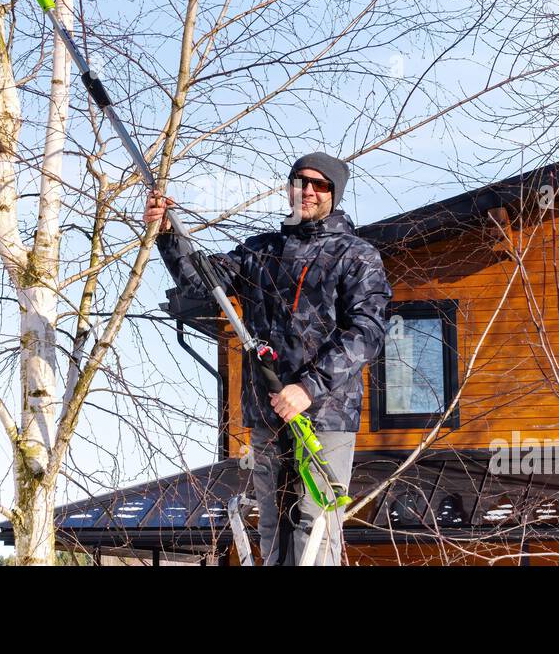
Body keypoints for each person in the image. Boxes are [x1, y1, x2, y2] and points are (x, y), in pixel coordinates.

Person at [145, 152, 391, 565]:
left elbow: (366, 332)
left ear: (335, 193)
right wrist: (168, 235)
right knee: (272, 527)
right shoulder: (259, 252)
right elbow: (202, 285)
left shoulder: (356, 255)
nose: (308, 191)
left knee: (315, 527)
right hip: (266, 411)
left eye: (320, 185)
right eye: (301, 181)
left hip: (325, 415)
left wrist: (307, 388)